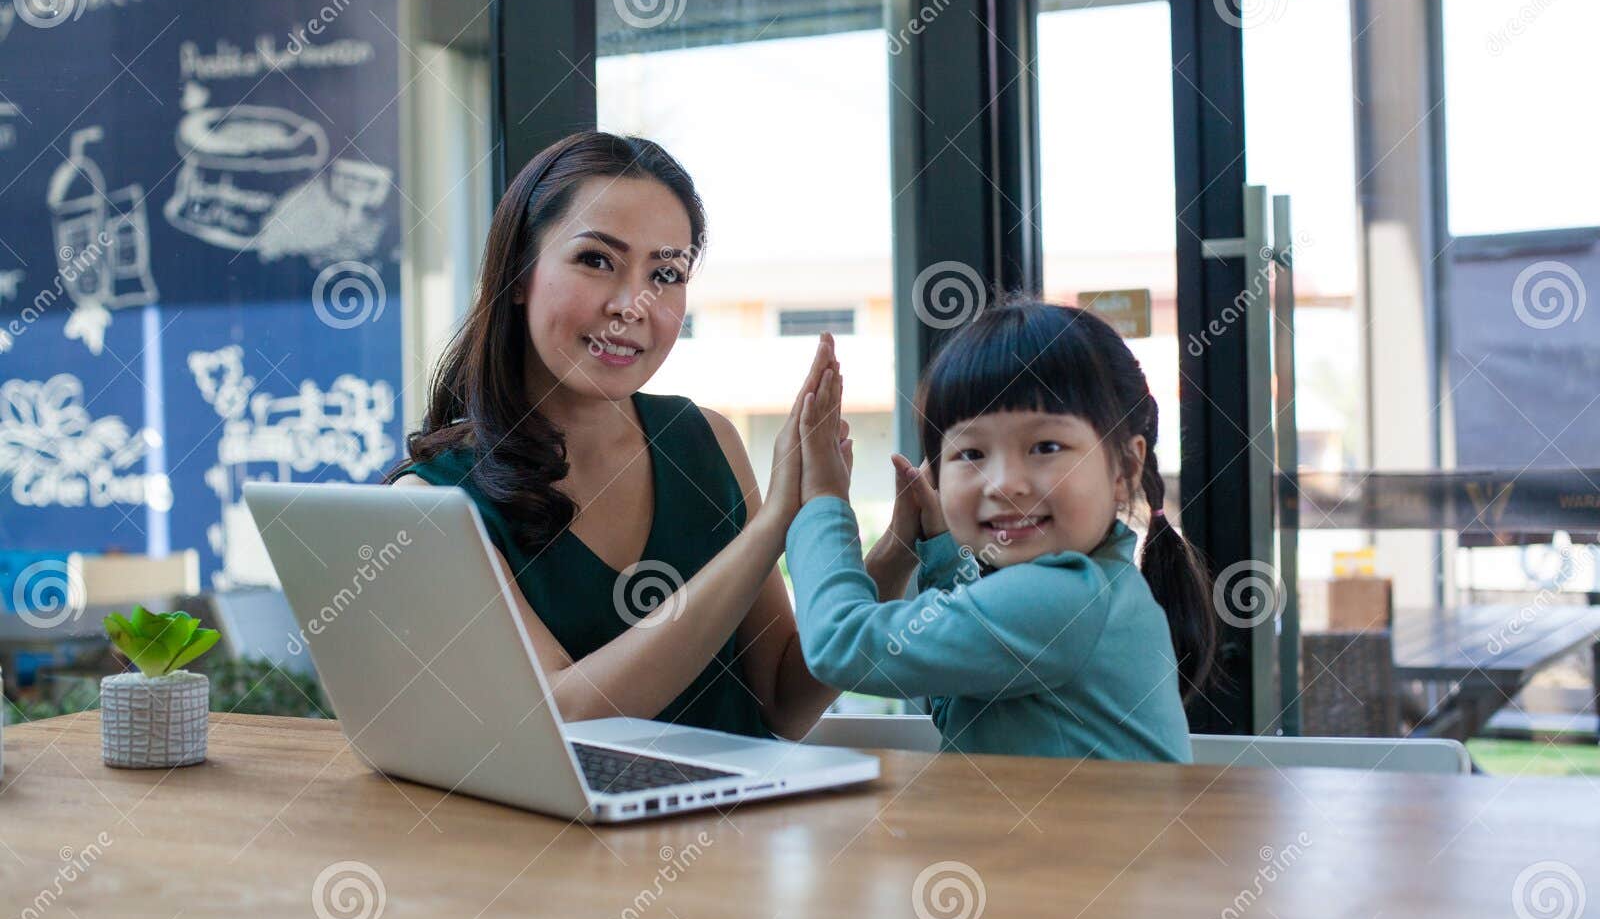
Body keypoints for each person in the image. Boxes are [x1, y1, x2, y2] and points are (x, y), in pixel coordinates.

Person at [389, 130, 844, 739]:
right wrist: (769, 530)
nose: (634, 304)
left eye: (666, 273)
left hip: (743, 828)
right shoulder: (433, 503)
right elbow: (563, 717)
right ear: (519, 272)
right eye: (597, 260)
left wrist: (901, 546)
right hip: (565, 837)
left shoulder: (703, 440)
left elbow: (783, 704)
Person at [783, 297, 1215, 760]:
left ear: (1125, 468)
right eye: (971, 454)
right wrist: (939, 545)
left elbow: (841, 644)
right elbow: (959, 704)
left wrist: (824, 497)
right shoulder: (1094, 586)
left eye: (1046, 446)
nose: (1005, 484)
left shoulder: (1063, 599)